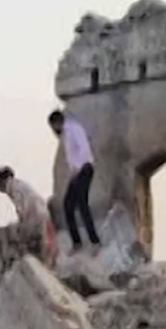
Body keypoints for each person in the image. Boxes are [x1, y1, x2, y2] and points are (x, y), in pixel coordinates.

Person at [48, 109, 101, 256]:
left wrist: (78, 169)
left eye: (54, 128)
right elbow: (71, 155)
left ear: (58, 123)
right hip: (76, 173)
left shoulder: (74, 129)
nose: (54, 131)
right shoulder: (64, 134)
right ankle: (77, 243)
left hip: (85, 169)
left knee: (82, 204)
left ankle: (95, 242)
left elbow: (83, 148)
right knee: (68, 205)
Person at [0, 166, 58, 267]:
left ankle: (46, 263)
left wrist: (22, 219)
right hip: (42, 210)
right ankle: (50, 261)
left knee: (37, 241)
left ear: (1, 182)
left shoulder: (13, 187)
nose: (1, 191)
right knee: (47, 239)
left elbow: (21, 204)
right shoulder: (18, 183)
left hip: (35, 214)